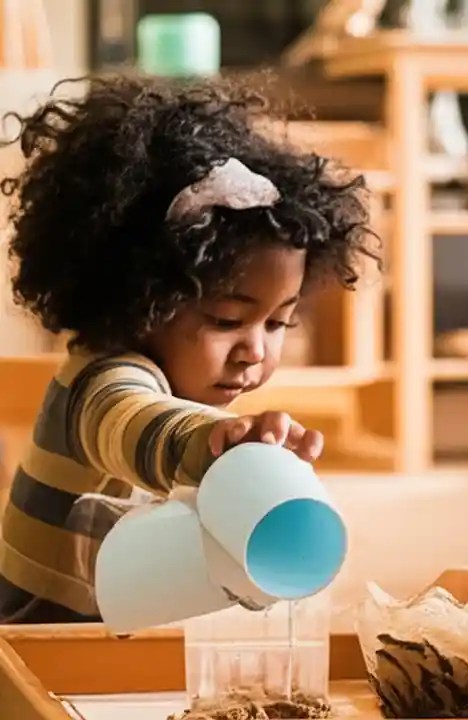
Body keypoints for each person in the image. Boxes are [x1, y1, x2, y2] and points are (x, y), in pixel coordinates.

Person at [0, 76, 378, 624]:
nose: (254, 349)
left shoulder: (172, 375)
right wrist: (210, 444)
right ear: (144, 297)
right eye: (227, 320)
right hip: (33, 659)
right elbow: (138, 425)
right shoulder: (101, 381)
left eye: (279, 321)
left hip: (110, 644)